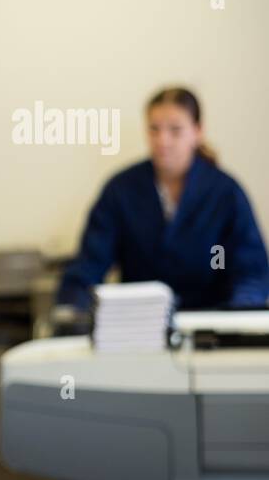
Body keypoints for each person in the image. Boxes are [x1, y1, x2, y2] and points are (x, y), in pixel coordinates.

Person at [56, 87, 269, 312]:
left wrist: (235, 319)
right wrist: (71, 311)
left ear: (197, 132)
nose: (162, 141)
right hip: (139, 326)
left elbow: (251, 272)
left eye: (175, 130)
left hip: (210, 325)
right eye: (154, 129)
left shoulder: (225, 193)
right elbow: (89, 265)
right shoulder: (121, 190)